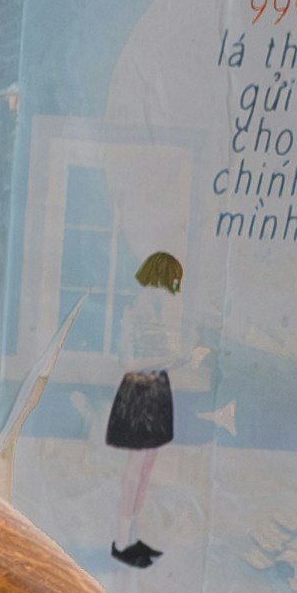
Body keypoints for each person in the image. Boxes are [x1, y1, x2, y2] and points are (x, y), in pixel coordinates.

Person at [103, 241, 186, 569]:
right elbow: (129, 361)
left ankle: (133, 537)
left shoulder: (154, 313)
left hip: (155, 393)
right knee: (134, 471)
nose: (170, 292)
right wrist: (170, 357)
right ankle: (122, 541)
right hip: (139, 396)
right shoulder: (133, 313)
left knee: (147, 469)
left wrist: (174, 358)